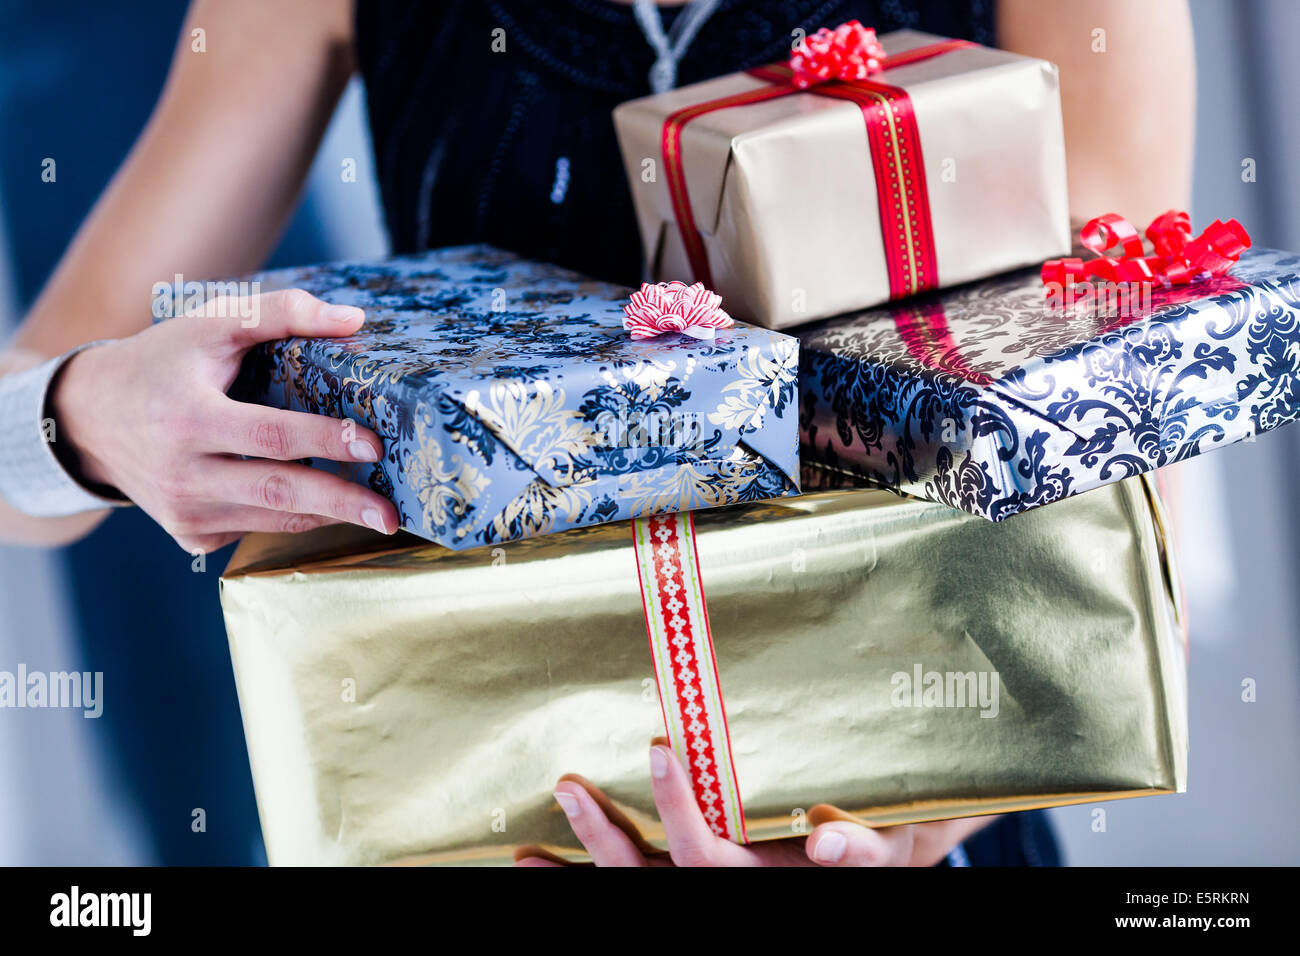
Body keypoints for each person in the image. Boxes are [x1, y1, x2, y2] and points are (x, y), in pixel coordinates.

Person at [0, 0, 1194, 866]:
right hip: (501, 809)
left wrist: (919, 814)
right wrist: (82, 417)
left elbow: (1127, 490)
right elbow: (19, 455)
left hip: (906, 781)